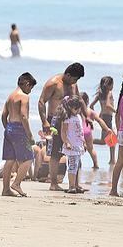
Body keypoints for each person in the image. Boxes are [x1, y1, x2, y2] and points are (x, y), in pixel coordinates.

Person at [38, 62, 85, 191]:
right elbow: (41, 102)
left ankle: (75, 184)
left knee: (76, 151)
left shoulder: (73, 83)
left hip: (71, 120)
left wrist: (85, 117)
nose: (75, 82)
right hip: (55, 121)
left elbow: (79, 100)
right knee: (55, 153)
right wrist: (44, 122)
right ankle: (53, 183)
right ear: (68, 75)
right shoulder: (53, 83)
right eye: (74, 78)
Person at [1, 72, 37, 197]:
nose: (30, 91)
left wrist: (7, 128)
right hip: (19, 129)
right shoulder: (24, 97)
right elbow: (23, 116)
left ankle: (6, 189)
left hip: (9, 127)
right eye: (31, 88)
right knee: (29, 158)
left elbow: (4, 115)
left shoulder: (10, 96)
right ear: (27, 84)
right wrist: (30, 135)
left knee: (10, 160)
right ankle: (16, 183)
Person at [58, 96, 88, 193]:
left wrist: (84, 142)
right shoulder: (67, 118)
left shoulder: (78, 117)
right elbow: (63, 132)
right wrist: (66, 142)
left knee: (77, 165)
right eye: (76, 108)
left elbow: (80, 131)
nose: (78, 110)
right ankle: (71, 186)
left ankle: (76, 184)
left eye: (79, 108)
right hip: (71, 145)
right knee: (72, 165)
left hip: (78, 145)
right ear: (70, 107)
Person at [81, 92, 114, 169]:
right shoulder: (90, 111)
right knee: (91, 149)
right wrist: (107, 129)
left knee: (77, 149)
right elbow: (99, 120)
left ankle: (78, 164)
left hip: (79, 132)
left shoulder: (77, 111)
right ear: (87, 101)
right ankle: (96, 164)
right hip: (88, 132)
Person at [89, 76, 116, 164]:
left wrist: (96, 115)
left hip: (103, 117)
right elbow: (108, 105)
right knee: (110, 139)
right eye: (112, 84)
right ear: (109, 85)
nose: (113, 86)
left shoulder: (100, 94)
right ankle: (87, 141)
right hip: (107, 118)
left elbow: (91, 105)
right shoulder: (109, 93)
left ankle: (112, 160)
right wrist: (117, 111)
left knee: (108, 140)